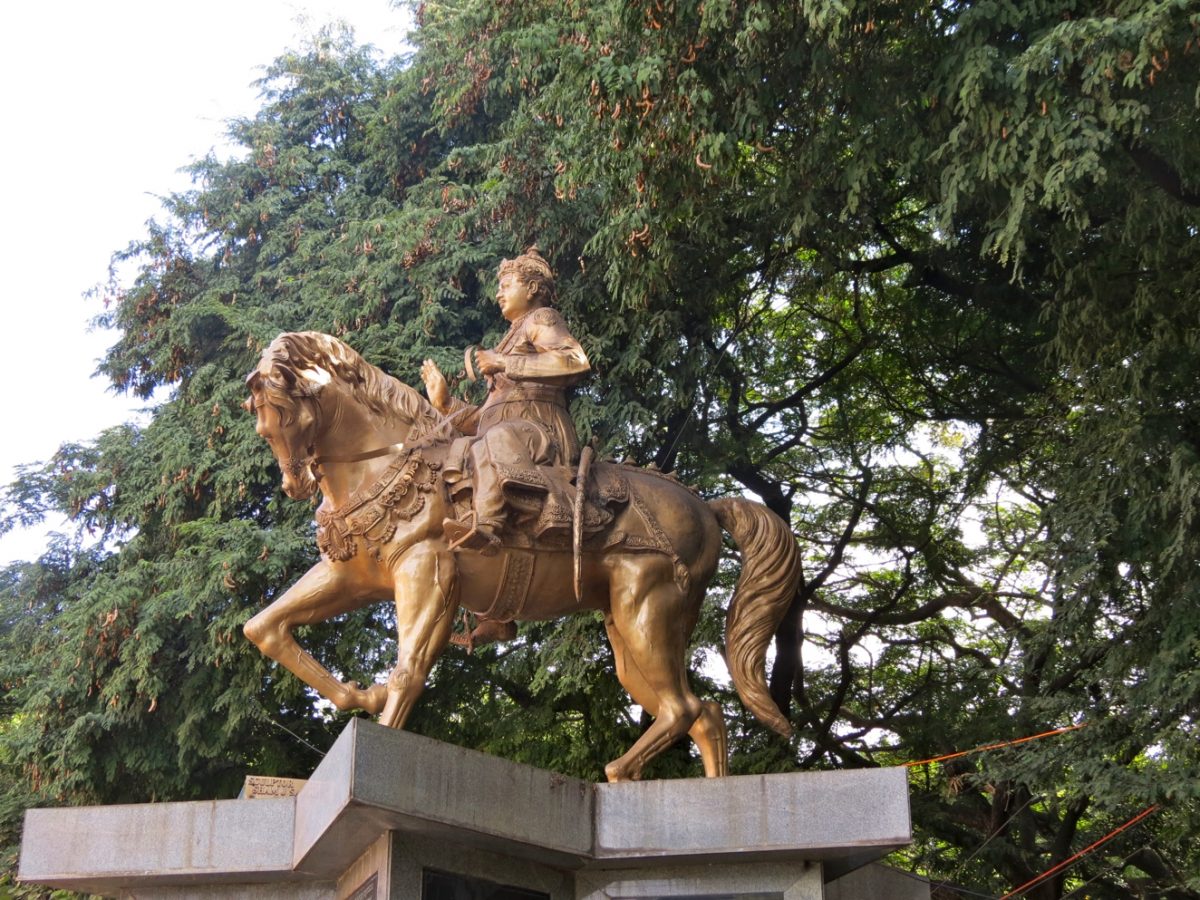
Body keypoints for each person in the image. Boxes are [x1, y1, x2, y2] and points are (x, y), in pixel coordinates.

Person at [421, 247, 591, 554]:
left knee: (495, 438)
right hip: (505, 433)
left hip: (541, 431)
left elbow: (574, 360)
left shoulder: (542, 318)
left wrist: (503, 363)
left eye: (506, 285)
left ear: (533, 288)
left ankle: (487, 526)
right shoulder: (511, 335)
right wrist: (446, 404)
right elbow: (486, 416)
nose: (499, 294)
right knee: (465, 446)